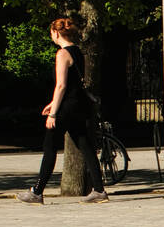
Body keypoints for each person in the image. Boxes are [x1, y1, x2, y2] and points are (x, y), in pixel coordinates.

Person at [17, 18, 107, 204]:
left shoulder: (62, 54)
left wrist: (53, 113)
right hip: (77, 106)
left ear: (56, 33)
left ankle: (37, 191)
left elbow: (61, 86)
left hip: (66, 108)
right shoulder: (78, 52)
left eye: (51, 33)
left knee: (49, 147)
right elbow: (73, 84)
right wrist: (52, 103)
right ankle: (99, 189)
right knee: (85, 146)